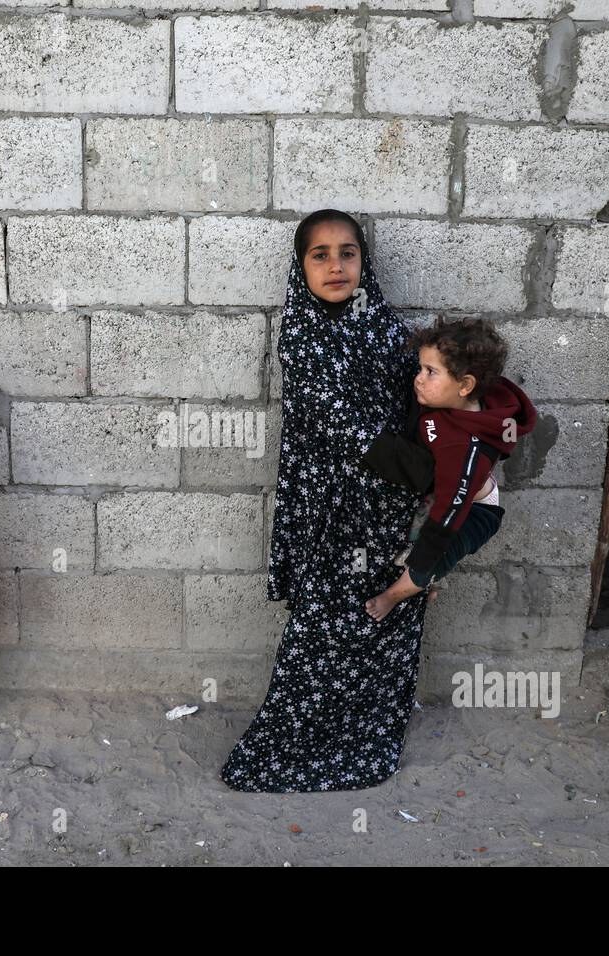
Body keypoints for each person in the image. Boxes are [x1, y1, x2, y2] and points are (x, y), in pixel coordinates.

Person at [218, 209, 438, 793]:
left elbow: (423, 400)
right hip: (330, 512)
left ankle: (363, 737)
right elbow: (345, 429)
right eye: (320, 254)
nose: (336, 265)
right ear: (302, 265)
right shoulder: (303, 334)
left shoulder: (388, 328)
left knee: (386, 619)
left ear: (364, 261)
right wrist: (429, 470)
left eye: (348, 253)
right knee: (324, 628)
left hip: (388, 508)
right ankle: (291, 748)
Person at [362, 318, 537, 621]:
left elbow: (448, 513)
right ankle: (431, 577)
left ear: (465, 385)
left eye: (430, 372)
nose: (418, 378)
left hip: (473, 511)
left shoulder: (464, 450)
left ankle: (396, 594)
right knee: (419, 536)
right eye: (420, 368)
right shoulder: (447, 398)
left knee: (428, 556)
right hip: (453, 491)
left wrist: (426, 561)